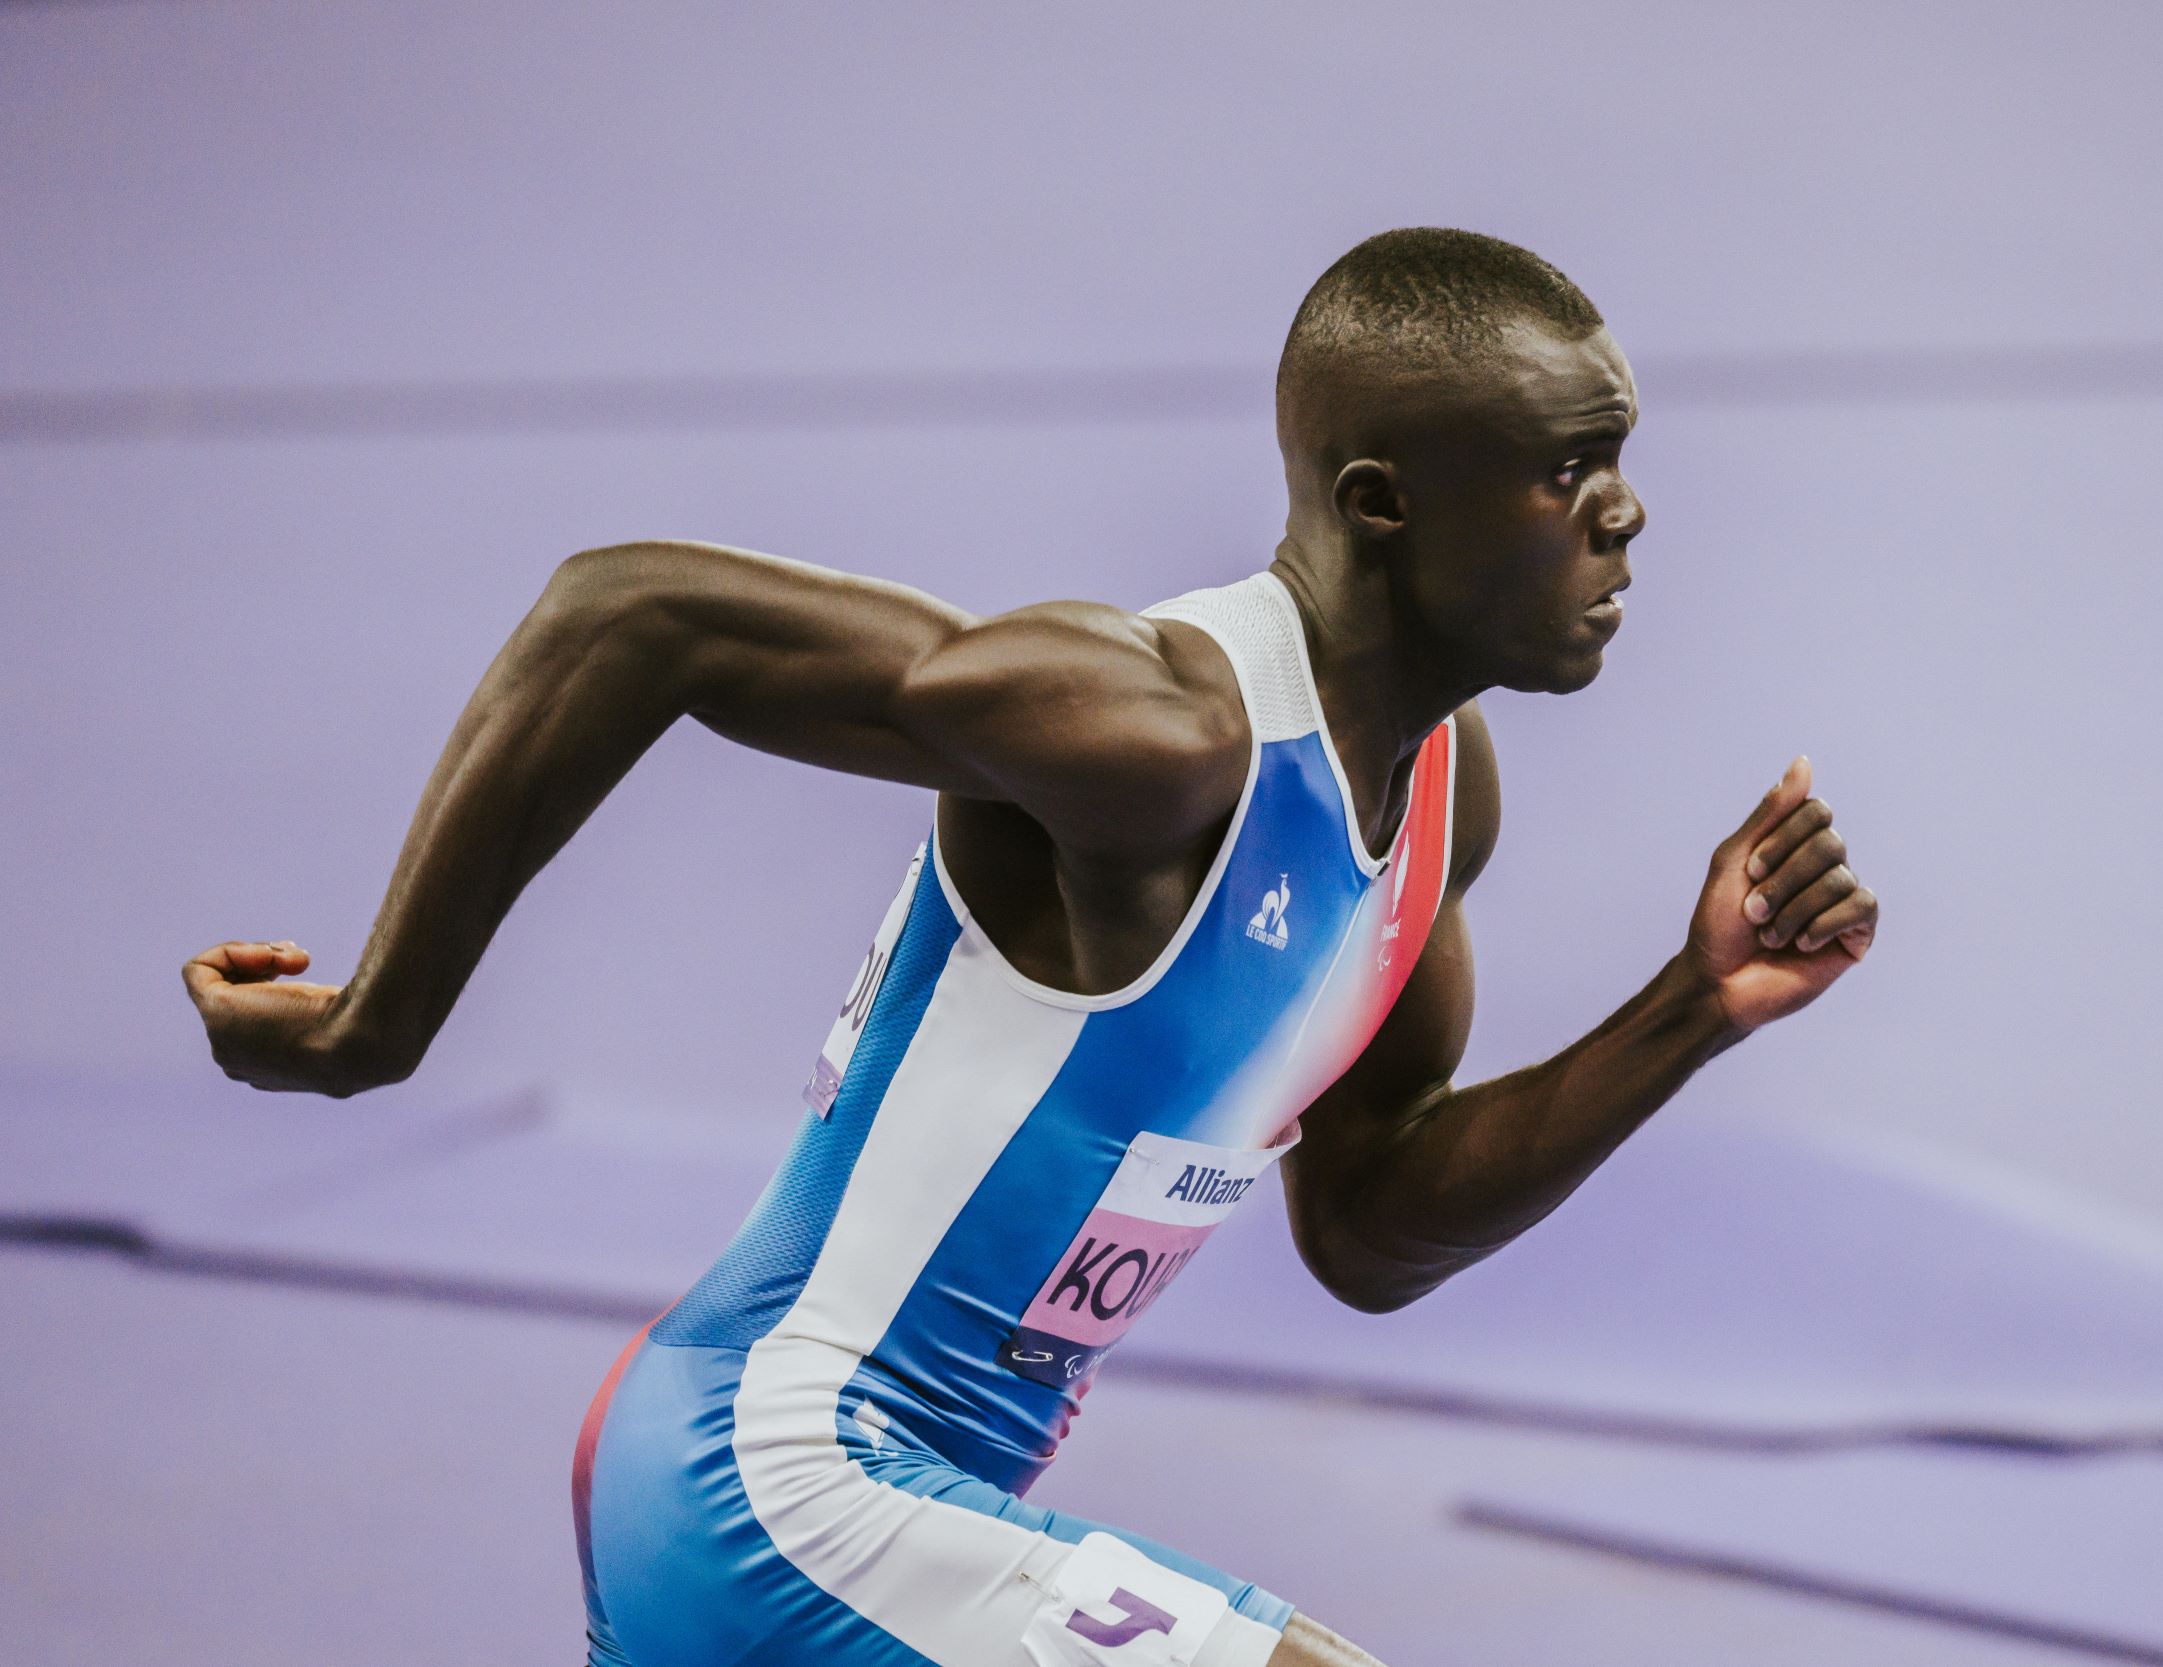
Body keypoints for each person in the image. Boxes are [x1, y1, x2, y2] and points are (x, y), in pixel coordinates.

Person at [183, 228, 1878, 1667]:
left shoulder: (1440, 795)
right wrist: (370, 1031)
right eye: (1569, 469)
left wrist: (1694, 1008)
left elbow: (1370, 1225)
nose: (1628, 514)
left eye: (1621, 457)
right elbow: (634, 612)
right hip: (779, 1475)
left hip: (918, 1508)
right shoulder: (1158, 735)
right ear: (1381, 505)